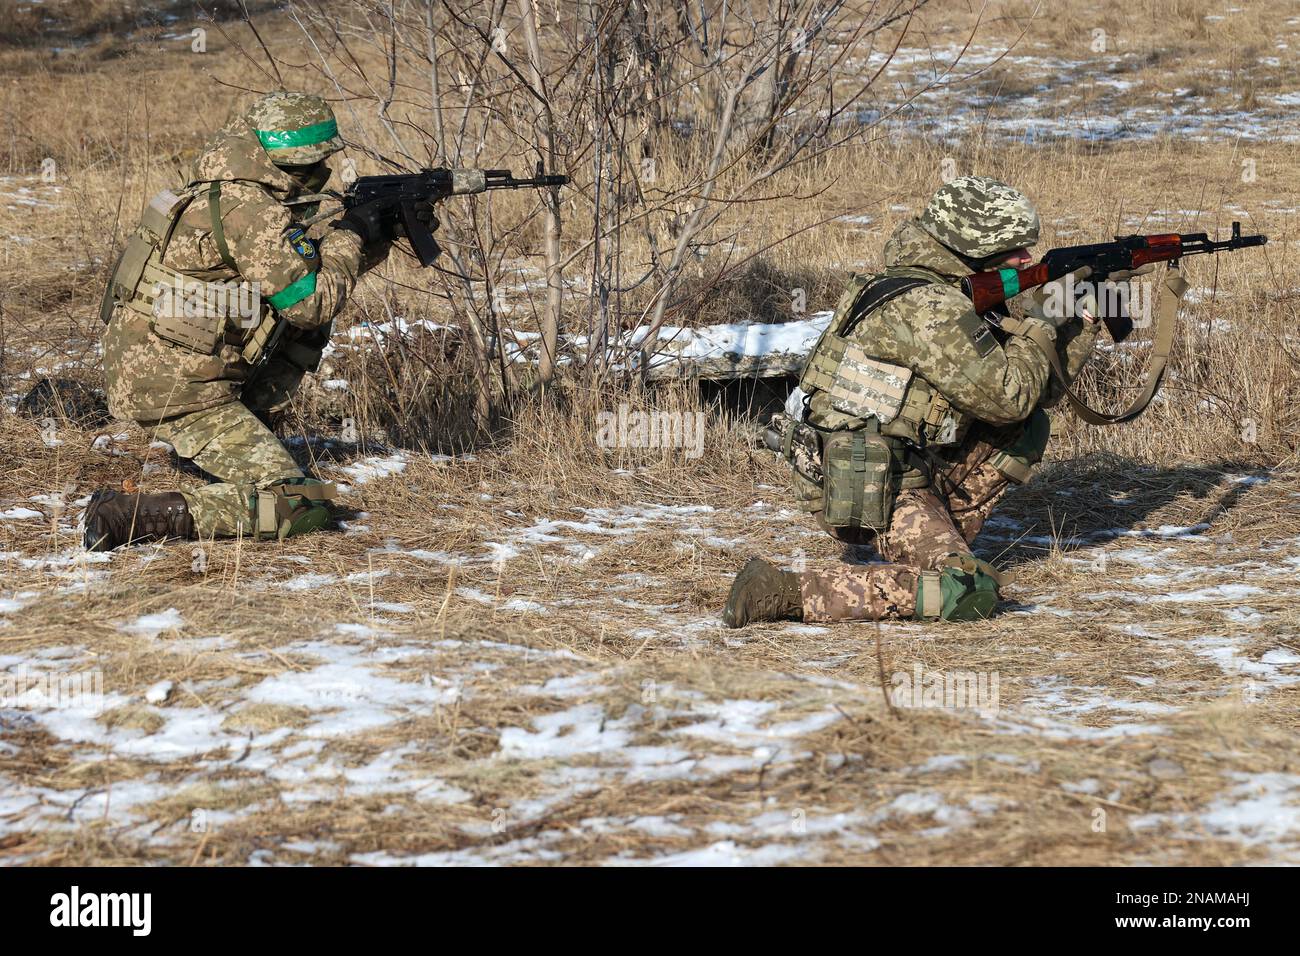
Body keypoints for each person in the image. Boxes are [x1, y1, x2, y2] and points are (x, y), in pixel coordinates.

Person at [723, 176, 1137, 626]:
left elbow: (1039, 391)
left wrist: (1080, 320)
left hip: (895, 466)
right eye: (1014, 249)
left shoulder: (941, 289)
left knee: (1028, 427)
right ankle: (781, 590)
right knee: (966, 591)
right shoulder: (930, 307)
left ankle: (939, 535)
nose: (1025, 259)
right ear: (970, 248)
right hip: (869, 487)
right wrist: (1041, 323)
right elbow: (1010, 398)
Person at [86, 92, 403, 550]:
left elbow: (296, 278)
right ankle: (130, 516)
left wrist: (372, 238)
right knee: (300, 505)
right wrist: (351, 235)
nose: (323, 176)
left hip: (162, 371)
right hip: (181, 391)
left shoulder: (221, 191)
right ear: (294, 164)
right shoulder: (250, 211)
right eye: (316, 166)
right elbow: (311, 302)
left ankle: (252, 420)